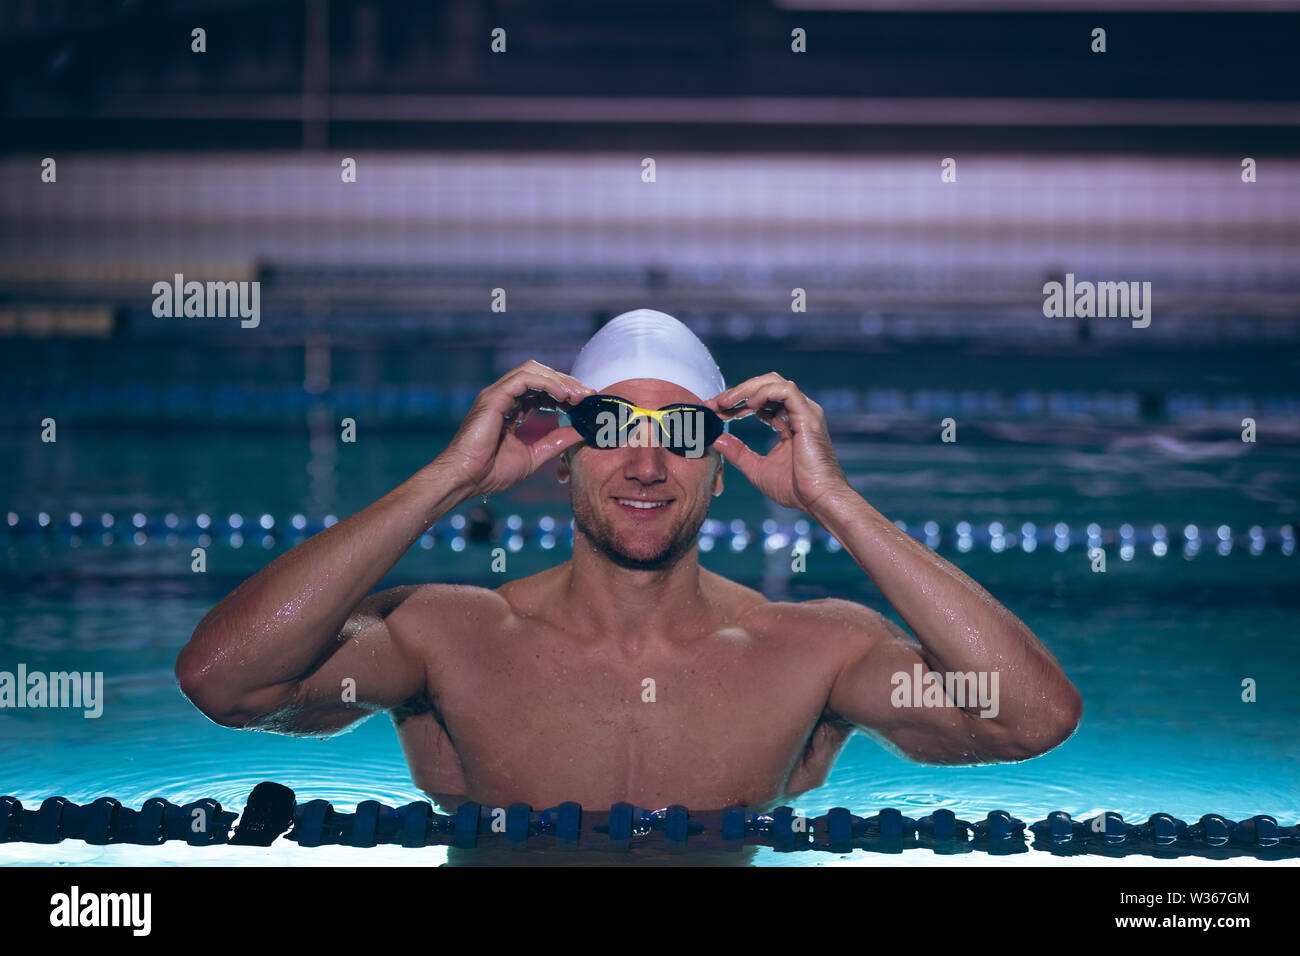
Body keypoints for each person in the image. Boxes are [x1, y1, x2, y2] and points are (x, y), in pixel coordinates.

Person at [176, 309, 1082, 842]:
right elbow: (228, 681)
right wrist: (448, 477)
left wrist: (836, 503)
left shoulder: (813, 653)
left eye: (682, 436)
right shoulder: (449, 637)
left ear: (723, 464)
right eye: (612, 431)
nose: (646, 468)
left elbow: (1032, 718)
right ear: (561, 457)